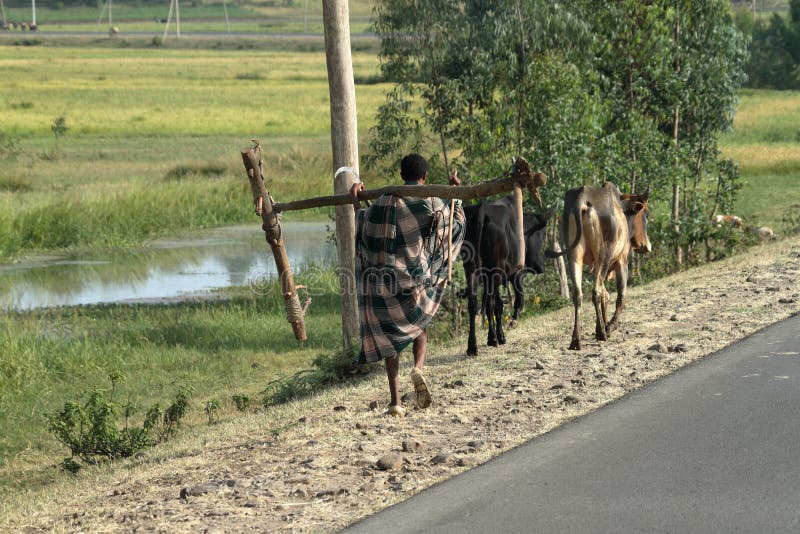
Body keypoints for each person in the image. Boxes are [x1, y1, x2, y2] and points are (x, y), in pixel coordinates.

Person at [349, 154, 465, 417]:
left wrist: (357, 200)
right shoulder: (429, 201)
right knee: (420, 326)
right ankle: (419, 369)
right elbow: (452, 228)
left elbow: (363, 223)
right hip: (414, 280)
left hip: (383, 284)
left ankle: (395, 402)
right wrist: (456, 197)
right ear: (424, 177)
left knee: (391, 343)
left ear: (402, 175)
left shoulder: (382, 202)